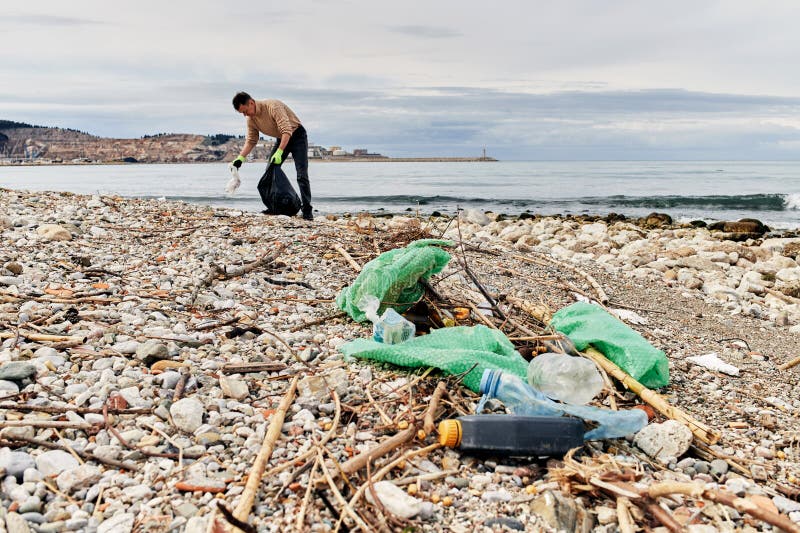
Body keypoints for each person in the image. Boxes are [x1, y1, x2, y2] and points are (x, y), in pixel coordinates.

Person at [230, 92, 313, 220]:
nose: (245, 115)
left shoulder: (273, 106)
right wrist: (240, 158)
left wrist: (279, 152)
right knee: (270, 171)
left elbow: (287, 130)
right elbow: (252, 140)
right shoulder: (251, 120)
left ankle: (307, 211)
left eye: (245, 111)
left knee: (301, 174)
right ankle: (275, 207)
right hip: (281, 138)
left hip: (297, 136)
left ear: (251, 103)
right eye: (242, 113)